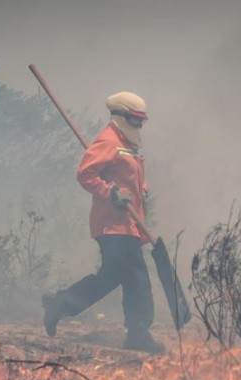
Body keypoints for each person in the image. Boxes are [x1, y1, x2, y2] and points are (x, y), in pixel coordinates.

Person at [41, 91, 164, 354]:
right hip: (113, 225)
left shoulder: (127, 144)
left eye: (142, 120)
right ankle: (138, 334)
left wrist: (140, 187)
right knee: (138, 279)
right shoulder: (109, 141)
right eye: (134, 119)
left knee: (112, 277)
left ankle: (60, 304)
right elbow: (85, 174)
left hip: (128, 225)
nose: (139, 125)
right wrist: (110, 192)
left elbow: (125, 177)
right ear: (121, 116)